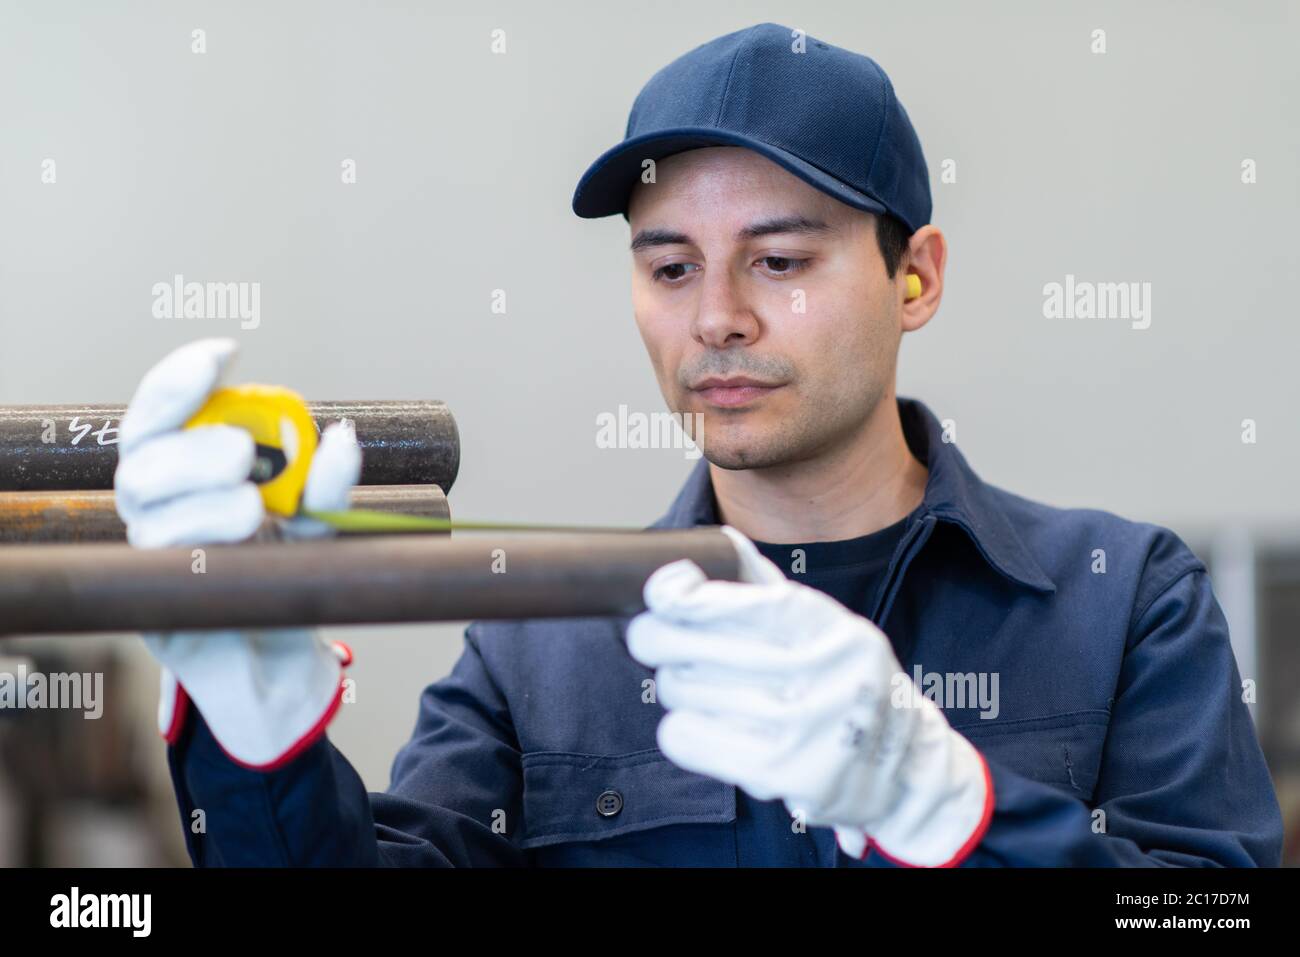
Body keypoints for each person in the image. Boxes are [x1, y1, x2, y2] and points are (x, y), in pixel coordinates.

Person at [115, 22, 1281, 866]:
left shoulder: (1121, 600)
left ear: (913, 276)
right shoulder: (544, 647)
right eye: (669, 267)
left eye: (778, 260)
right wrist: (256, 734)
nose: (715, 315)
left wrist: (951, 812)